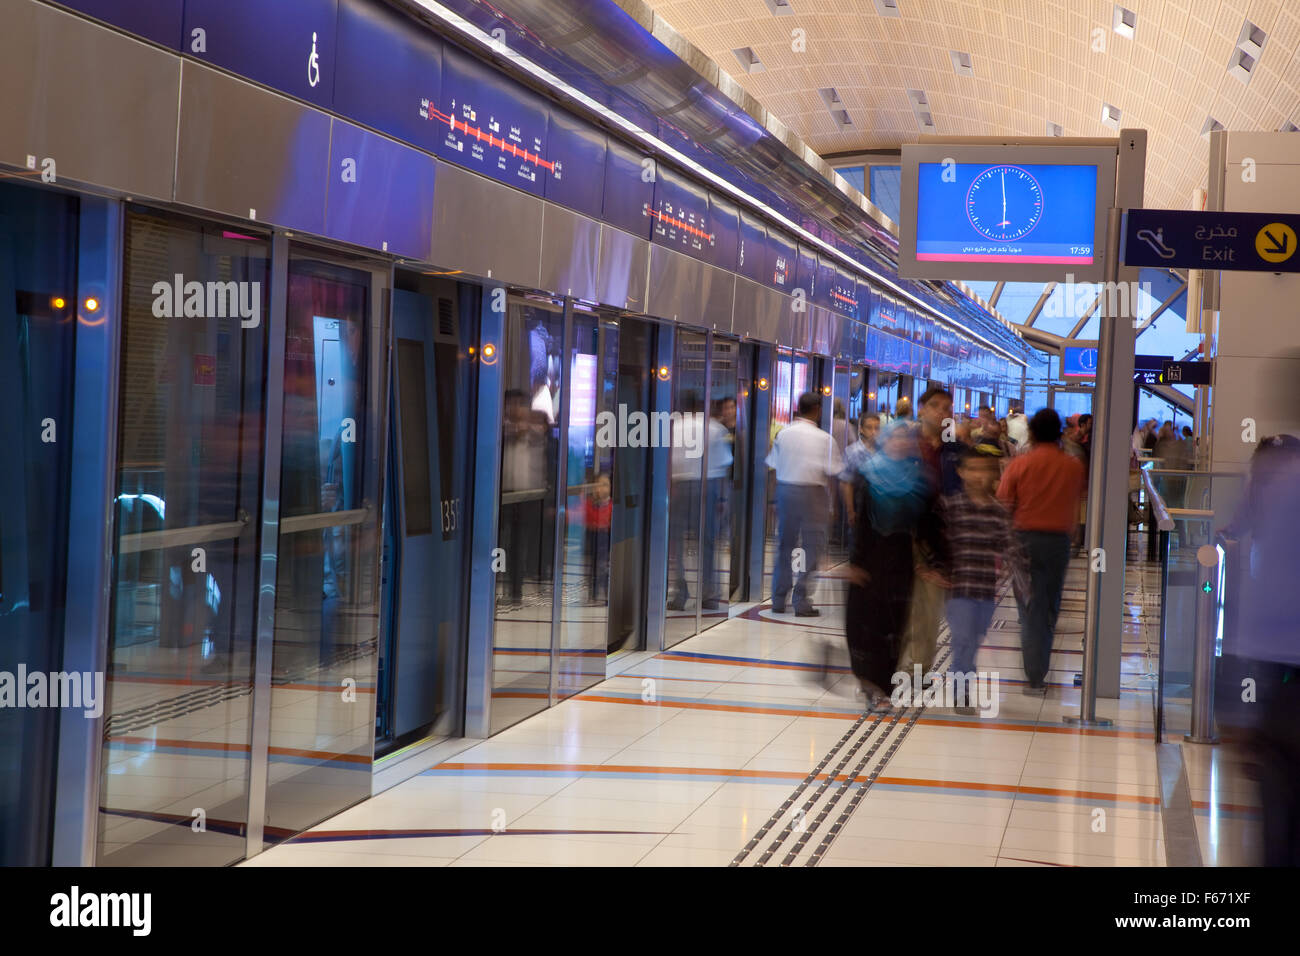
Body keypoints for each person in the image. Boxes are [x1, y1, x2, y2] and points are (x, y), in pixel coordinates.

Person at [1218, 435, 1300, 864]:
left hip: (1279, 683)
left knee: (1279, 820)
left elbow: (1260, 615)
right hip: (1279, 678)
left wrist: (1240, 711)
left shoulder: (1277, 491)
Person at [997, 408, 1085, 693]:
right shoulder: (1072, 466)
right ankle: (1039, 666)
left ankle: (1034, 675)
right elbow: (1076, 498)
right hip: (1058, 543)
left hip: (1024, 541)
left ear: (1032, 433)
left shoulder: (1020, 464)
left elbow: (1003, 502)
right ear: (1059, 432)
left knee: (1028, 606)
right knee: (1049, 603)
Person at [844, 422, 928, 712]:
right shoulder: (867, 475)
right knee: (869, 624)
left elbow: (927, 524)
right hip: (871, 559)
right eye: (895, 437)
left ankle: (885, 686)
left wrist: (931, 560)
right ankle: (871, 684)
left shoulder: (917, 479)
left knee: (895, 622)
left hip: (902, 558)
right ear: (884, 440)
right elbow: (861, 525)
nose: (901, 442)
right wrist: (855, 563)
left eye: (906, 437)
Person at [941, 446, 1012, 714]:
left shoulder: (997, 510)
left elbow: (1008, 546)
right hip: (959, 587)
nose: (979, 475)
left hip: (985, 587)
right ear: (961, 472)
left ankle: (963, 678)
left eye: (985, 469)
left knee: (974, 639)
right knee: (963, 639)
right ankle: (961, 691)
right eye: (972, 469)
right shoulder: (951, 506)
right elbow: (939, 544)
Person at [899, 385, 962, 677]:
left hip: (937, 536)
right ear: (921, 408)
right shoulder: (903, 445)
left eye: (947, 408)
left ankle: (917, 668)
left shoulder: (954, 451)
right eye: (936, 406)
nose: (942, 412)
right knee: (898, 602)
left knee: (928, 606)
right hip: (902, 531)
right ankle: (894, 661)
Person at [766, 391, 843, 616]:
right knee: (811, 547)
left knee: (784, 545)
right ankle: (801, 600)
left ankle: (778, 599)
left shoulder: (783, 434)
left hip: (786, 490)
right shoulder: (824, 438)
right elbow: (832, 475)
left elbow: (773, 467)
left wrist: (773, 499)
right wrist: (833, 507)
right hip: (814, 494)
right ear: (818, 410)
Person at [839, 413, 880, 543]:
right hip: (861, 504)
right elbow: (847, 482)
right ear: (861, 429)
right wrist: (850, 510)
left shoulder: (883, 450)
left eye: (877, 428)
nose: (873, 432)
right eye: (869, 427)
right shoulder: (853, 451)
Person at [582, 472, 612, 603]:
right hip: (593, 536)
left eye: (606, 485)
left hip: (605, 537)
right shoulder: (590, 504)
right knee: (594, 566)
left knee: (602, 566)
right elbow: (584, 516)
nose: (602, 488)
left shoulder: (611, 505)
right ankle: (593, 592)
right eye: (599, 485)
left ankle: (605, 591)